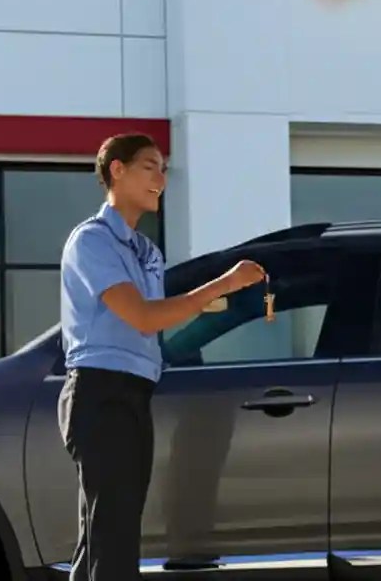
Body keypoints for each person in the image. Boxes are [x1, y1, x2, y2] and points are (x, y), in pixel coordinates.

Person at [58, 132, 266, 581]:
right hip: (100, 392)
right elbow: (143, 317)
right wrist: (223, 284)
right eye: (150, 166)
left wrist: (231, 301)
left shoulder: (146, 253)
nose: (161, 178)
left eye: (164, 169)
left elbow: (164, 321)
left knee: (107, 532)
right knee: (110, 535)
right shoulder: (92, 242)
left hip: (134, 393)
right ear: (118, 170)